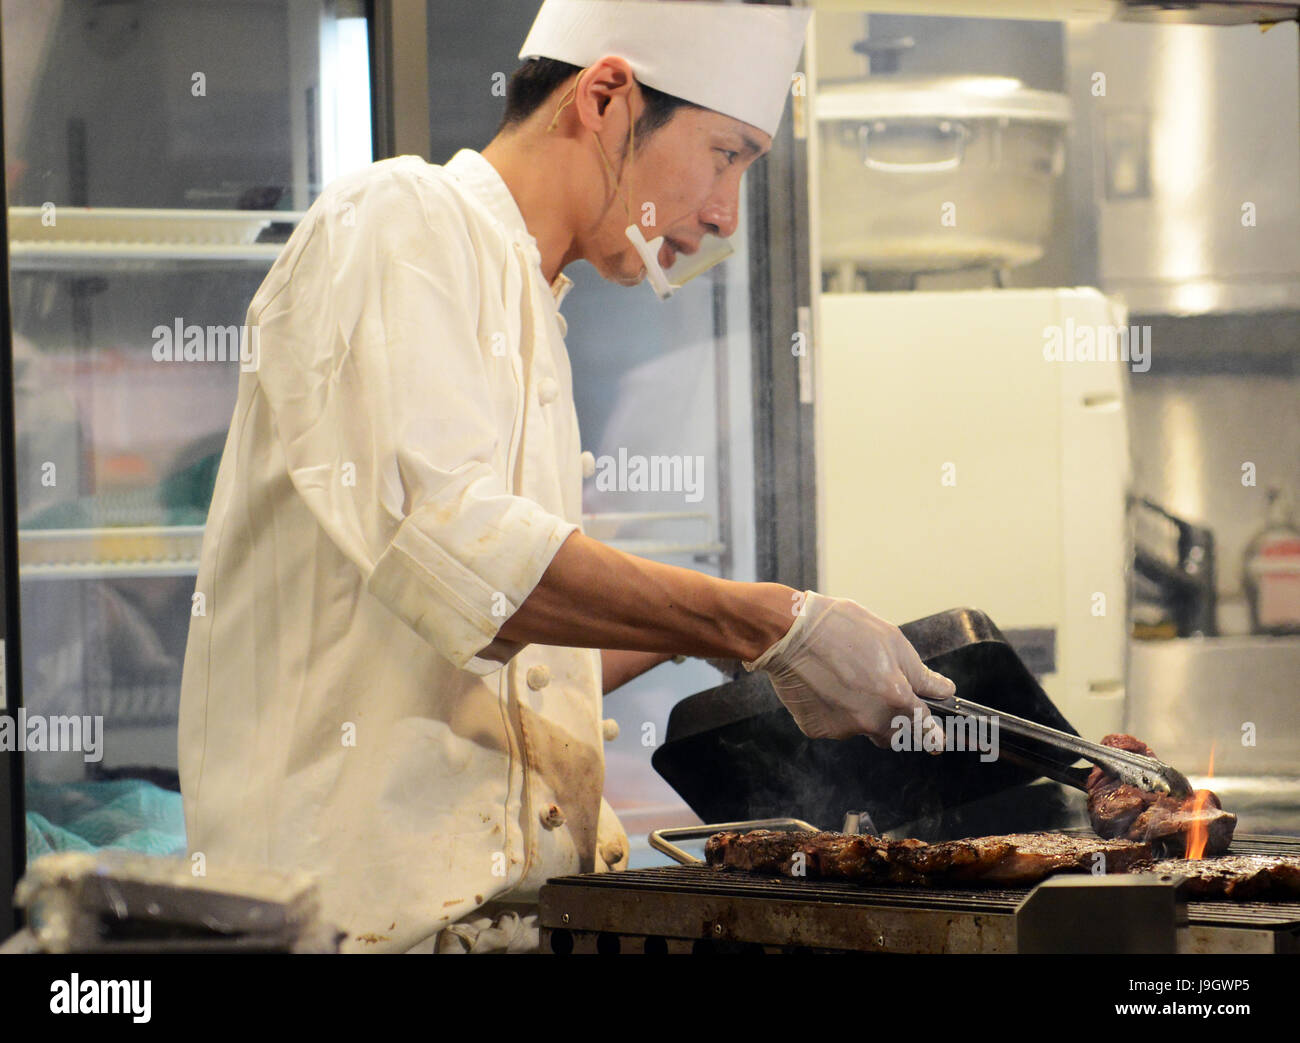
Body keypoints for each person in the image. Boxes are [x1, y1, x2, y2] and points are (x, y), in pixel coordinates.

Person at [178, 0, 954, 954]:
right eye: (727, 153)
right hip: (349, 934)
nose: (724, 214)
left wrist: (737, 647)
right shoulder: (395, 220)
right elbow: (458, 552)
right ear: (607, 98)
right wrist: (765, 622)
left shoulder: (535, 312)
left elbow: (505, 649)